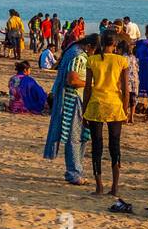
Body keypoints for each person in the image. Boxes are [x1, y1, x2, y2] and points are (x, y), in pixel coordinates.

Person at [44, 34, 98, 185]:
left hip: (76, 98)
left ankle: (76, 170)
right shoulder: (79, 56)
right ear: (89, 47)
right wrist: (92, 84)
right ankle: (74, 172)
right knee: (75, 136)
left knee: (81, 135)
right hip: (73, 99)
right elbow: (72, 80)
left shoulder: (73, 50)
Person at [82, 32, 130, 197]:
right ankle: (115, 187)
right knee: (114, 145)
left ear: (101, 44)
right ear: (115, 45)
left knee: (97, 146)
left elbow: (87, 88)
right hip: (114, 106)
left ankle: (99, 187)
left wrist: (84, 111)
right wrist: (125, 110)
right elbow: (126, 90)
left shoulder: (92, 60)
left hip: (96, 105)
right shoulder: (121, 61)